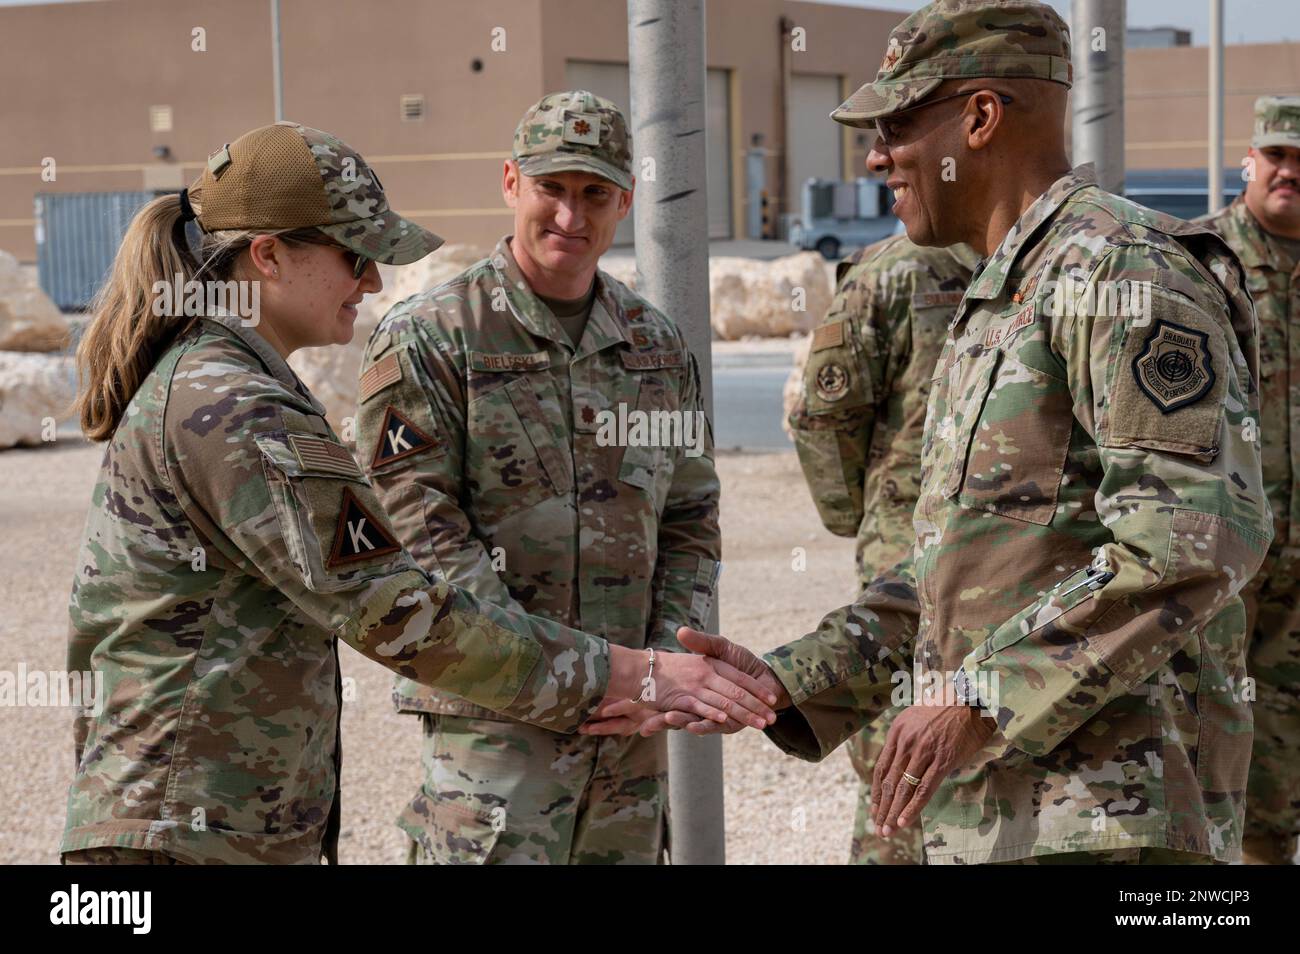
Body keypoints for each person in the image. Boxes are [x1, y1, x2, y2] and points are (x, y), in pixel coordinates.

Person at [592, 0, 1271, 866]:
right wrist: (792, 679)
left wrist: (981, 696)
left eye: (899, 123)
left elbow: (1196, 537)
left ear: (982, 117)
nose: (876, 155)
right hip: (1005, 819)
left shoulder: (1121, 271)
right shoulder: (1001, 295)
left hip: (1114, 822)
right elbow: (965, 569)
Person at [60, 121, 774, 866]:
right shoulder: (235, 406)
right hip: (182, 835)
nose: (370, 280)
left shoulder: (238, 383)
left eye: (596, 193)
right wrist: (638, 673)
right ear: (269, 255)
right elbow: (400, 608)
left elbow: (690, 512)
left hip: (206, 828)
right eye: (354, 255)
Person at [355, 90, 721, 865]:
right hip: (494, 730)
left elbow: (690, 516)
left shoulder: (655, 345)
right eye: (552, 188)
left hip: (628, 738)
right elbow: (422, 540)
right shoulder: (432, 338)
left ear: (625, 200)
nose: (570, 216)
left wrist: (659, 666)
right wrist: (581, 679)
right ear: (511, 183)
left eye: (594, 194)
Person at [789, 234, 977, 865]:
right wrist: (868, 518)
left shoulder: (1043, 262)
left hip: (1007, 562)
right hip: (908, 571)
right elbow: (826, 416)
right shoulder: (894, 275)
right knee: (900, 778)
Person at [1197, 94, 1300, 865]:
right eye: (1277, 156)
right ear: (1249, 162)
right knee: (1210, 732)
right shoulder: (1201, 260)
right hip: (1224, 552)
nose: (1289, 172)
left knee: (1283, 756)